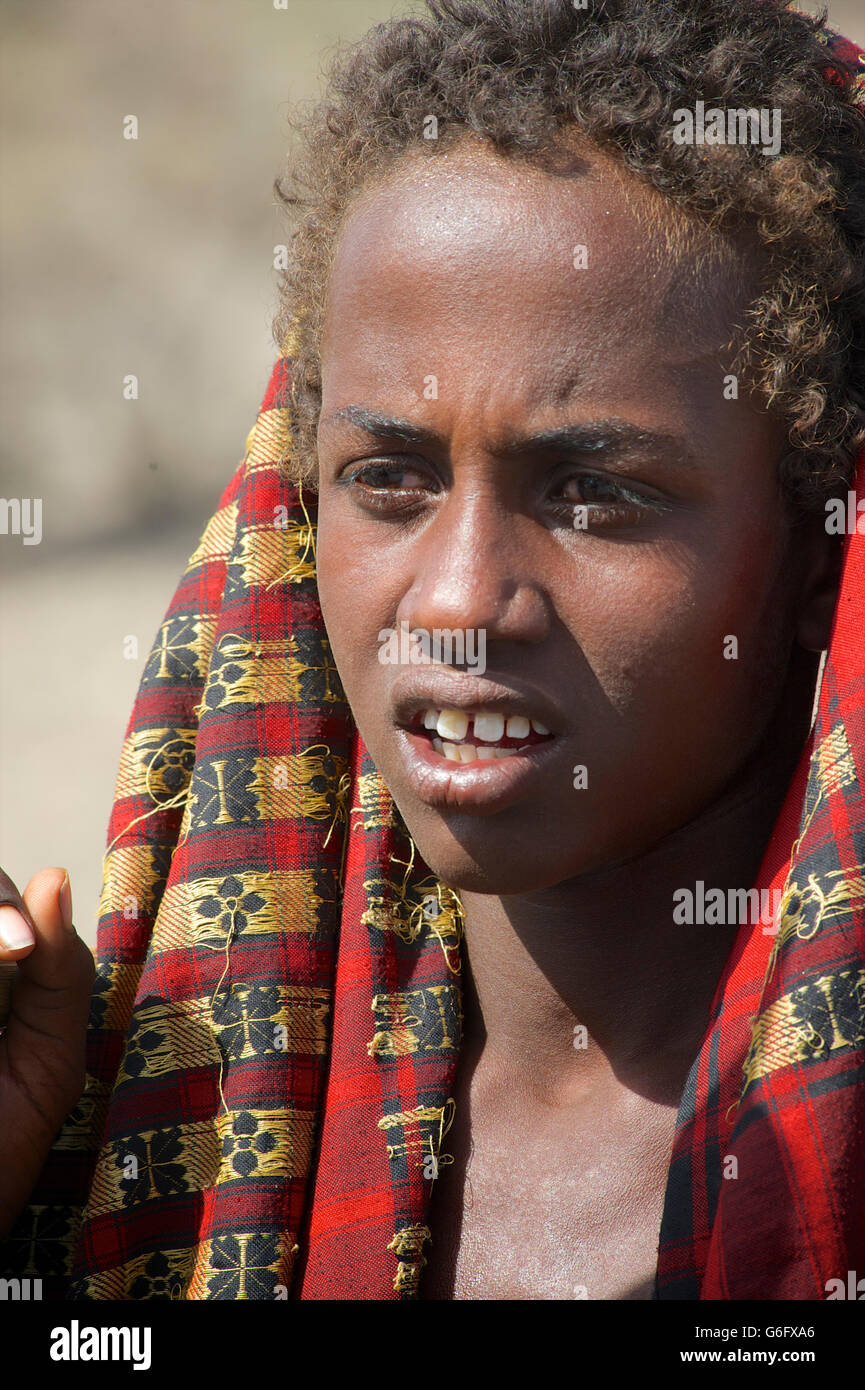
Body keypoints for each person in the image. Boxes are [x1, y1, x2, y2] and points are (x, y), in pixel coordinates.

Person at [1, 0, 863, 1301]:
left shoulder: (822, 1186)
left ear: (813, 554)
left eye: (593, 493)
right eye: (389, 475)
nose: (457, 599)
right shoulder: (157, 1143)